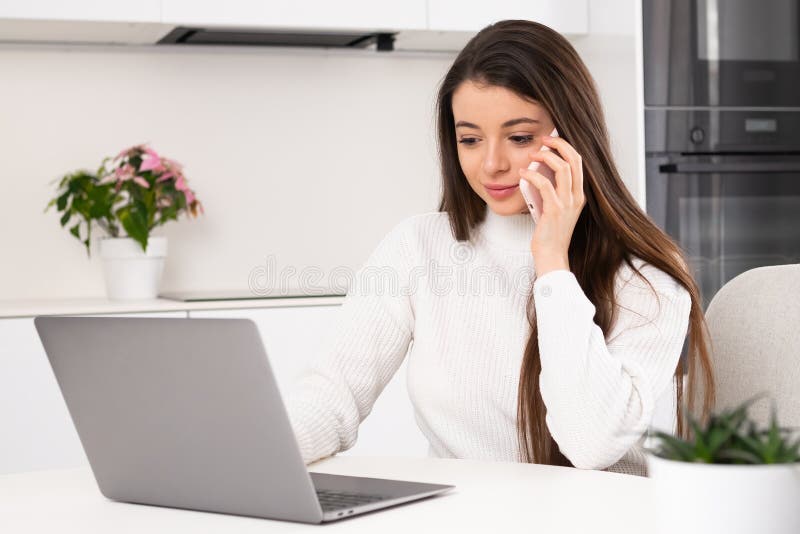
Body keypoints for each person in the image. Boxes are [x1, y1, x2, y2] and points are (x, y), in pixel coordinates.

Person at [285, 19, 715, 476]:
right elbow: (331, 395)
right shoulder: (418, 247)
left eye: (520, 138)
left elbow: (592, 444)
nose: (491, 163)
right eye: (469, 139)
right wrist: (245, 456)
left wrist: (551, 262)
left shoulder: (647, 277)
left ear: (571, 137)